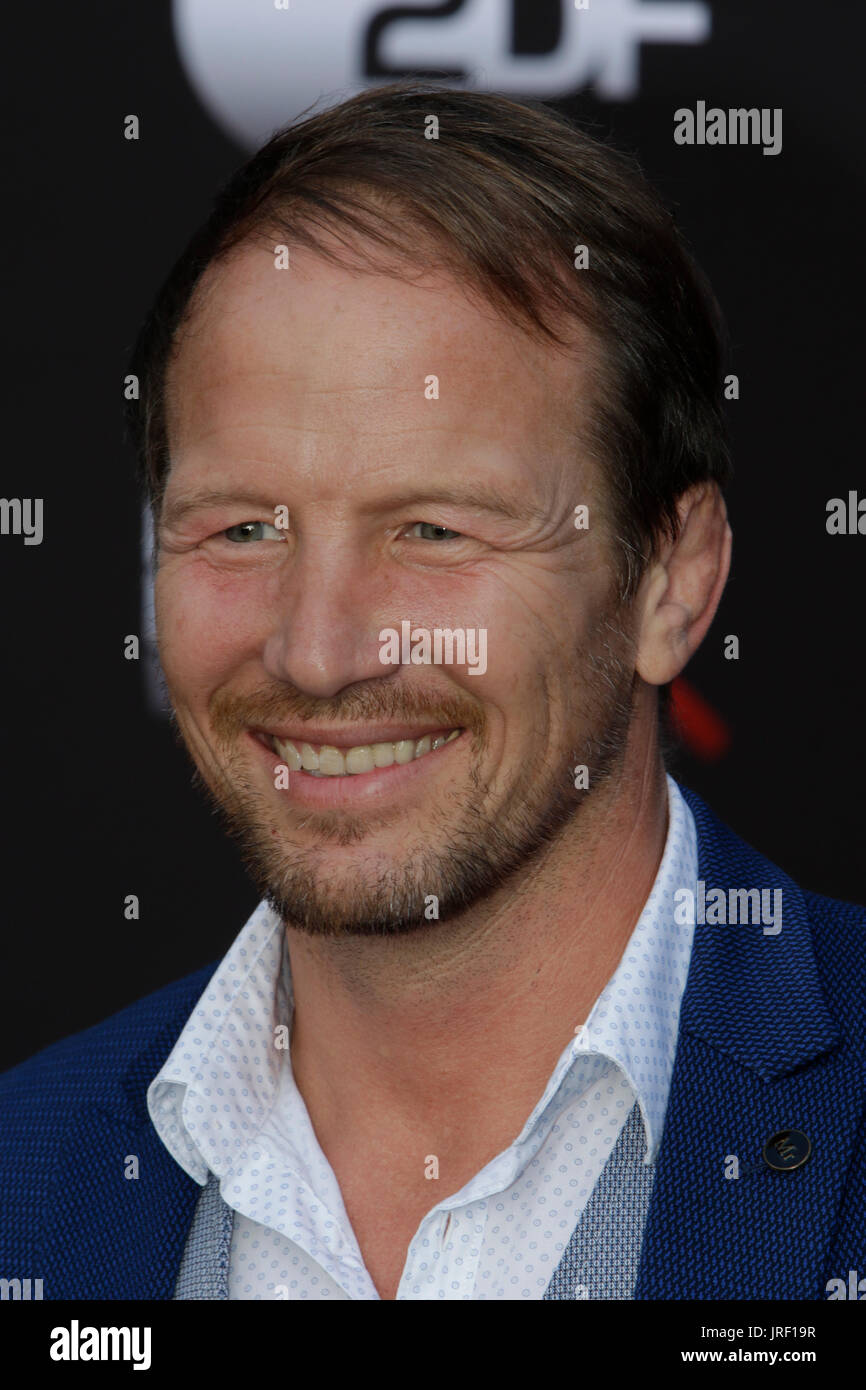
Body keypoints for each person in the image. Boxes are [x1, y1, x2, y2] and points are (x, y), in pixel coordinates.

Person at [1, 82, 863, 1302]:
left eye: (432, 530)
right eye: (242, 528)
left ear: (670, 581)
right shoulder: (22, 1177)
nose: (317, 649)